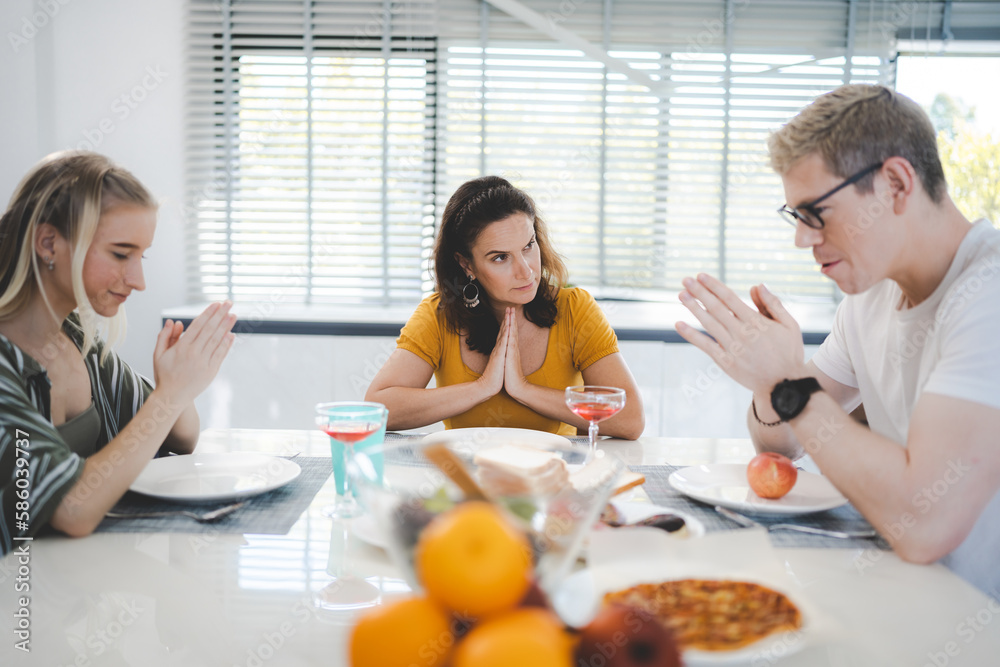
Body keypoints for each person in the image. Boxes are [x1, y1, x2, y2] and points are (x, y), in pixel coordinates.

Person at [676, 84, 1000, 594]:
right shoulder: (870, 297)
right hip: (900, 591)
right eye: (795, 217)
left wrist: (790, 382)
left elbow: (924, 527)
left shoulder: (987, 296)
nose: (801, 238)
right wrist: (772, 377)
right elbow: (779, 441)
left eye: (814, 213)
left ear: (895, 184)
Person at [0, 151, 236, 553]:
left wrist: (173, 385)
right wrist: (170, 395)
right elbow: (72, 508)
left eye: (141, 256)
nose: (138, 280)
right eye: (120, 254)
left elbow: (182, 438)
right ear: (48, 243)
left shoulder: (75, 339)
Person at [366, 175, 644, 438]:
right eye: (500, 257)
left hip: (552, 476)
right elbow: (376, 412)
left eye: (528, 245)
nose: (526, 272)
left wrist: (523, 389)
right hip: (469, 478)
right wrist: (482, 387)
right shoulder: (438, 315)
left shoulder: (575, 309)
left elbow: (630, 419)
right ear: (467, 265)